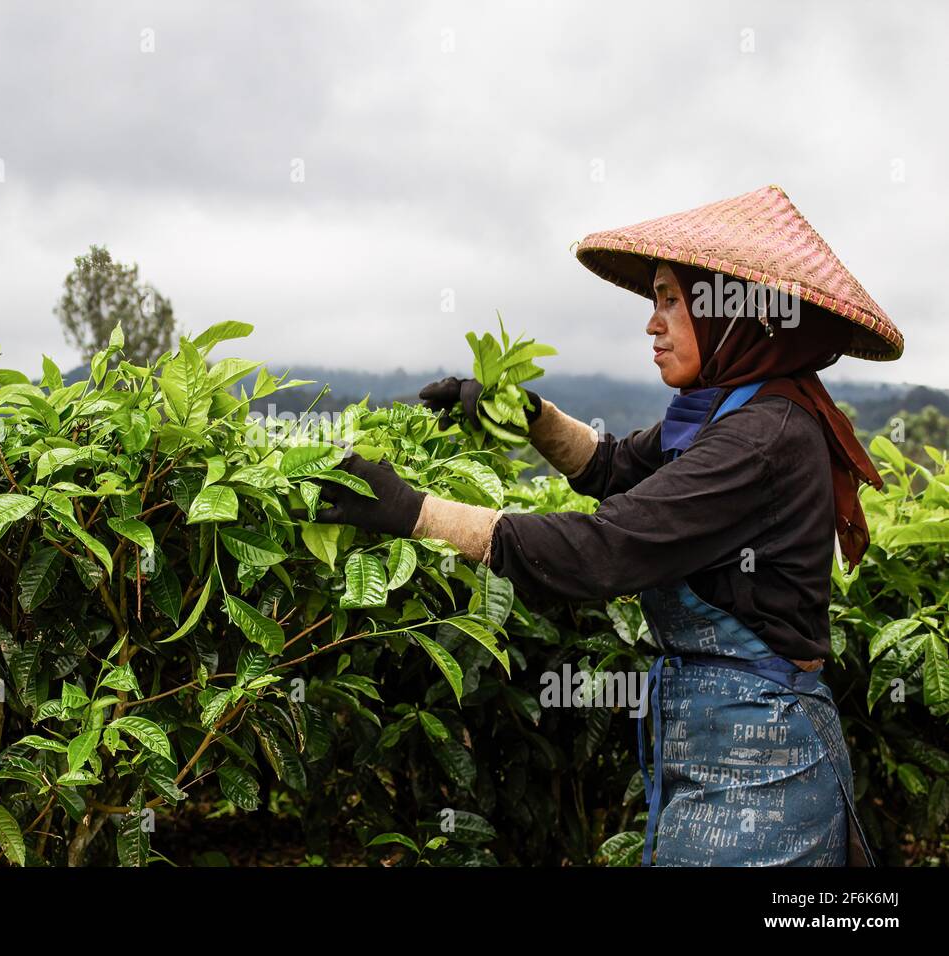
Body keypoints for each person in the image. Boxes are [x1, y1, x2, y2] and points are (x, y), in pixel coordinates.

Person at [307, 185, 900, 866]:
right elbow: (618, 465)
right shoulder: (734, 412)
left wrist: (415, 512)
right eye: (655, 300)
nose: (653, 323)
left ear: (742, 315)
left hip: (763, 764)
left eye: (673, 300)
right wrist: (523, 412)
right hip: (720, 742)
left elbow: (603, 550)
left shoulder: (761, 438)